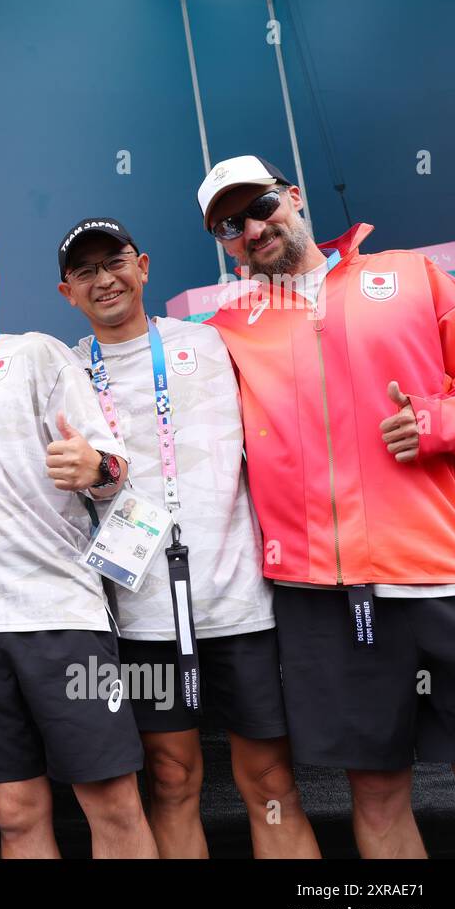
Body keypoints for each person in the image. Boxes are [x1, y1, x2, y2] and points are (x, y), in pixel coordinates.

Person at [197, 154, 455, 856]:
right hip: (322, 594)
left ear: (293, 196)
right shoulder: (225, 328)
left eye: (259, 206)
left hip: (444, 573)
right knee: (377, 794)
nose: (251, 229)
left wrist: (441, 424)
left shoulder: (411, 275)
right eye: (230, 225)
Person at [58, 216, 319, 858]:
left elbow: (303, 339)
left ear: (143, 266)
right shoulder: (60, 369)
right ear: (67, 292)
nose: (104, 279)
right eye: (84, 270)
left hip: (239, 606)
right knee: (172, 782)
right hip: (141, 614)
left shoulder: (212, 342)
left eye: (114, 261)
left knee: (271, 780)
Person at [0, 217, 156, 858]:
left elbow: (110, 462)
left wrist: (97, 469)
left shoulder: (39, 353)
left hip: (62, 615)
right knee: (14, 816)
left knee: (114, 805)